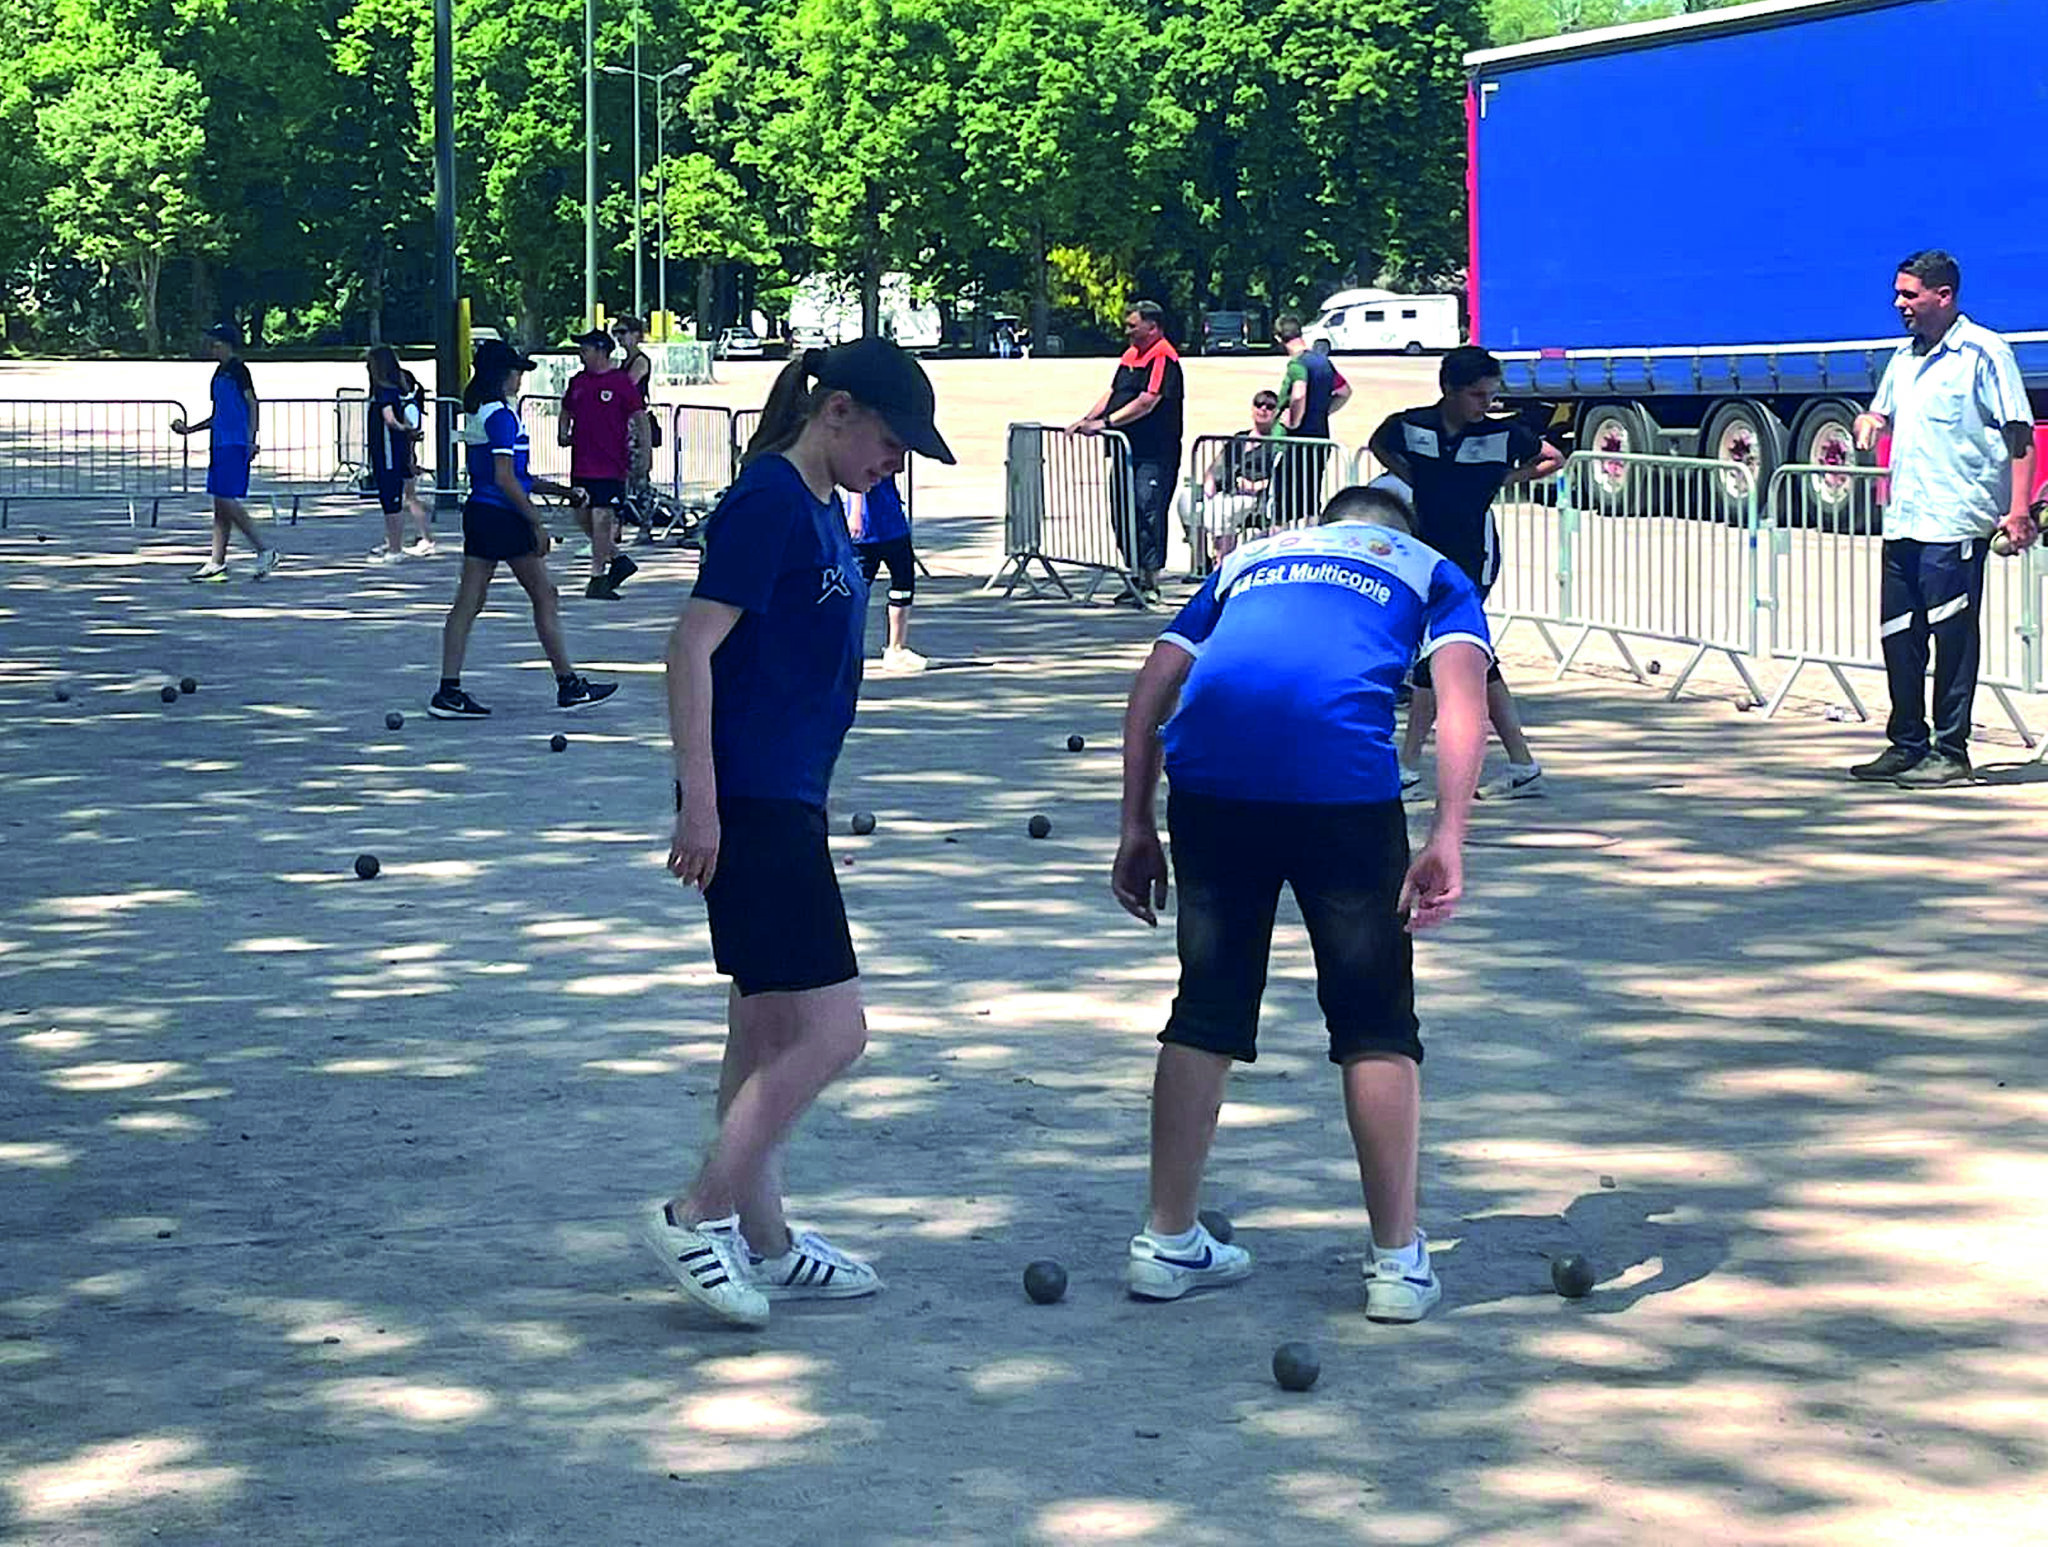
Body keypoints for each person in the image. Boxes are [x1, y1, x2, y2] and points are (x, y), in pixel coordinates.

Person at [1110, 483, 1490, 1323]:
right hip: (1340, 789)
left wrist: (1136, 824)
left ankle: (1166, 1240)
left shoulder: (1249, 559)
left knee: (1205, 1004)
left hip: (1208, 779)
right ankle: (1395, 1260)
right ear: (1400, 531)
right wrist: (1448, 835)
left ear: (1324, 528)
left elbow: (1151, 693)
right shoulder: (1432, 571)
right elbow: (1462, 703)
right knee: (1374, 1019)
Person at [644, 337, 956, 1328]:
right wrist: (703, 800)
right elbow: (691, 645)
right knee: (834, 1030)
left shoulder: (824, 512)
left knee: (767, 1023)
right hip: (755, 802)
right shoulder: (770, 501)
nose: (894, 462)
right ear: (837, 411)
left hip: (791, 800)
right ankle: (698, 1213)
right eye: (890, 440)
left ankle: (765, 1240)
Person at [1849, 249, 2038, 787]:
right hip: (1904, 520)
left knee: (1952, 640)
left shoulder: (1984, 353)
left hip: (1953, 522)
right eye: (1898, 293)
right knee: (1899, 637)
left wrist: (2018, 510)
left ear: (1943, 295)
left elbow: (2018, 435)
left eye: (1909, 294)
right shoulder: (1905, 358)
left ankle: (1950, 750)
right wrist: (1868, 421)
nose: (1899, 303)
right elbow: (1880, 410)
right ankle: (1906, 743)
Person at [1370, 345, 1564, 799]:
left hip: (1470, 559)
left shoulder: (1503, 435)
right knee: (1474, 658)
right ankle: (1522, 763)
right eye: (1478, 396)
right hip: (1425, 553)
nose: (1486, 405)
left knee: (1436, 656)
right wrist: (1414, 476)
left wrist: (1501, 480)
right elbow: (1380, 441)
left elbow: (1553, 457)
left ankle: (1409, 765)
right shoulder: (1413, 424)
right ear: (1449, 391)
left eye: (1491, 396)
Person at [428, 339, 618, 719]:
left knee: (469, 601)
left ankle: (448, 689)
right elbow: (505, 479)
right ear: (503, 375)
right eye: (516, 372)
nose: (520, 379)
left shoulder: (483, 412)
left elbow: (516, 475)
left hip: (481, 513)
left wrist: (561, 490)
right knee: (545, 595)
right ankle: (568, 684)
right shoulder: (501, 416)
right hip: (503, 515)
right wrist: (537, 522)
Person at [1067, 300, 1183, 603]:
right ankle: (1134, 576)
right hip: (1125, 448)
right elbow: (1114, 392)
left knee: (1148, 511)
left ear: (1152, 327)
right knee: (1121, 511)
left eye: (1133, 325)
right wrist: (1088, 419)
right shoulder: (1131, 355)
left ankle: (1151, 580)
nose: (1128, 331)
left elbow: (1148, 400)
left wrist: (1106, 422)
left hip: (1155, 453)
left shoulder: (1163, 356)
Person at [171, 322, 280, 582]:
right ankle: (217, 561)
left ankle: (264, 549)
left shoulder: (238, 370)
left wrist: (251, 440)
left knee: (226, 499)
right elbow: (219, 414)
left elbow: (253, 405)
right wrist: (190, 429)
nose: (210, 346)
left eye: (214, 342)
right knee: (220, 504)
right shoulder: (218, 373)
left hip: (235, 443)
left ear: (224, 343)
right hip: (219, 442)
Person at [559, 328, 639, 599]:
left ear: (601, 350)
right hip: (582, 461)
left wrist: (645, 453)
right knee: (582, 515)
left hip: (610, 462)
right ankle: (617, 559)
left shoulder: (620, 382)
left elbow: (639, 415)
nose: (581, 355)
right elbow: (566, 408)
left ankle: (597, 577)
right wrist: (563, 430)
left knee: (601, 516)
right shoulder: (578, 381)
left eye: (586, 350)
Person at [1174, 389, 1287, 562]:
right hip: (1226, 490)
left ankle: (1223, 563)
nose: (1263, 409)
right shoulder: (1239, 438)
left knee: (1222, 511)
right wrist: (1209, 482)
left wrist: (1257, 485)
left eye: (1270, 406)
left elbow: (1282, 476)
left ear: (1276, 412)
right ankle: (1200, 562)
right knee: (1187, 500)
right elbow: (1216, 467)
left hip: (1254, 497)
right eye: (1259, 404)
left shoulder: (1277, 444)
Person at [1271, 314, 1352, 525]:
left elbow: (1298, 393)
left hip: (1296, 443)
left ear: (1279, 338)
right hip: (1320, 439)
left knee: (1285, 501)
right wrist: (1322, 411)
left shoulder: (1296, 364)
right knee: (1310, 497)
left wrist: (1294, 421)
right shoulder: (1323, 362)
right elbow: (1344, 392)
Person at [845, 474, 925, 671]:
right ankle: (843, 648)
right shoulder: (861, 446)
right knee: (855, 590)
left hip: (894, 524)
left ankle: (896, 649)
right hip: (868, 529)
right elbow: (856, 476)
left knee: (903, 584)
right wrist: (855, 513)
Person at [364, 345, 433, 562]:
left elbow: (390, 419)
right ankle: (397, 541)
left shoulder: (384, 391)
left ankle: (395, 548)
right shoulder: (395, 388)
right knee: (402, 496)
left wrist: (404, 429)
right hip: (396, 450)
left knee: (391, 498)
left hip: (388, 452)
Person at [611, 314, 659, 527]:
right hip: (622, 421)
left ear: (636, 335)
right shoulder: (622, 362)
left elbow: (627, 386)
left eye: (623, 332)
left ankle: (646, 523)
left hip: (635, 421)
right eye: (616, 333)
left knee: (640, 475)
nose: (619, 338)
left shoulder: (640, 361)